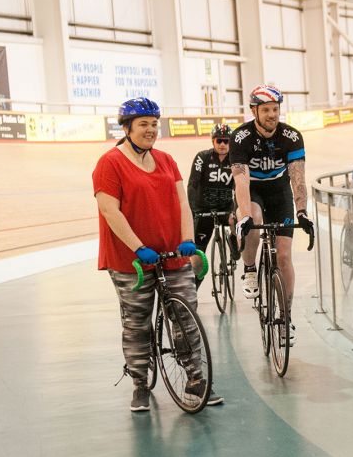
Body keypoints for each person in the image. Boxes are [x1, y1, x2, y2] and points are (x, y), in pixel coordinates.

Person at [93, 97, 220, 411]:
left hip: (172, 252)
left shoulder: (165, 160)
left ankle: (195, 379)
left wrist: (188, 239)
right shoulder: (109, 163)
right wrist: (138, 247)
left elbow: (182, 203)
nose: (150, 130)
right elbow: (110, 211)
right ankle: (139, 381)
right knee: (137, 322)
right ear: (127, 128)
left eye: (154, 124)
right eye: (143, 125)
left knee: (185, 317)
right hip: (130, 260)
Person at [230, 84, 314, 346]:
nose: (271, 115)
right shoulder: (240, 137)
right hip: (252, 190)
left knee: (285, 256)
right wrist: (243, 216)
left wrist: (302, 211)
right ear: (254, 110)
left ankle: (286, 317)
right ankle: (250, 268)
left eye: (275, 109)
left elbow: (297, 179)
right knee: (253, 218)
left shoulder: (291, 136)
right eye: (265, 109)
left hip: (279, 192)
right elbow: (241, 180)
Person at [187, 123, 240, 289]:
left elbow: (240, 187)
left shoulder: (236, 159)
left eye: (226, 141)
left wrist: (236, 211)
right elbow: (192, 184)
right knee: (198, 255)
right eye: (219, 140)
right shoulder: (202, 157)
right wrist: (193, 210)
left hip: (226, 208)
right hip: (204, 210)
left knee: (235, 220)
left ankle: (233, 239)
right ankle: (193, 290)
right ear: (213, 141)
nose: (223, 144)